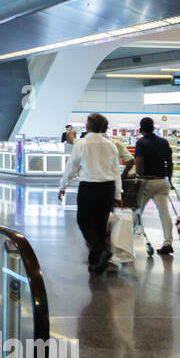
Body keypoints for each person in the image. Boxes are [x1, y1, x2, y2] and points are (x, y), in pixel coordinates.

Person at [58, 112, 122, 274]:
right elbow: (116, 171)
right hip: (107, 188)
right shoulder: (111, 145)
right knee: (100, 225)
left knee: (84, 222)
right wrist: (117, 195)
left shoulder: (82, 144)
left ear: (88, 126)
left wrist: (63, 186)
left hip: (89, 187)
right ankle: (95, 263)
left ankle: (101, 252)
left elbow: (72, 167)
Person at [133, 117, 174, 255]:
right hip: (163, 182)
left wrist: (139, 177)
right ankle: (168, 242)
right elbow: (170, 162)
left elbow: (139, 161)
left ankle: (125, 240)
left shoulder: (141, 143)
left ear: (140, 129)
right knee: (164, 212)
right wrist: (170, 179)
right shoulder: (163, 142)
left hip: (147, 182)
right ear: (154, 128)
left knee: (137, 211)